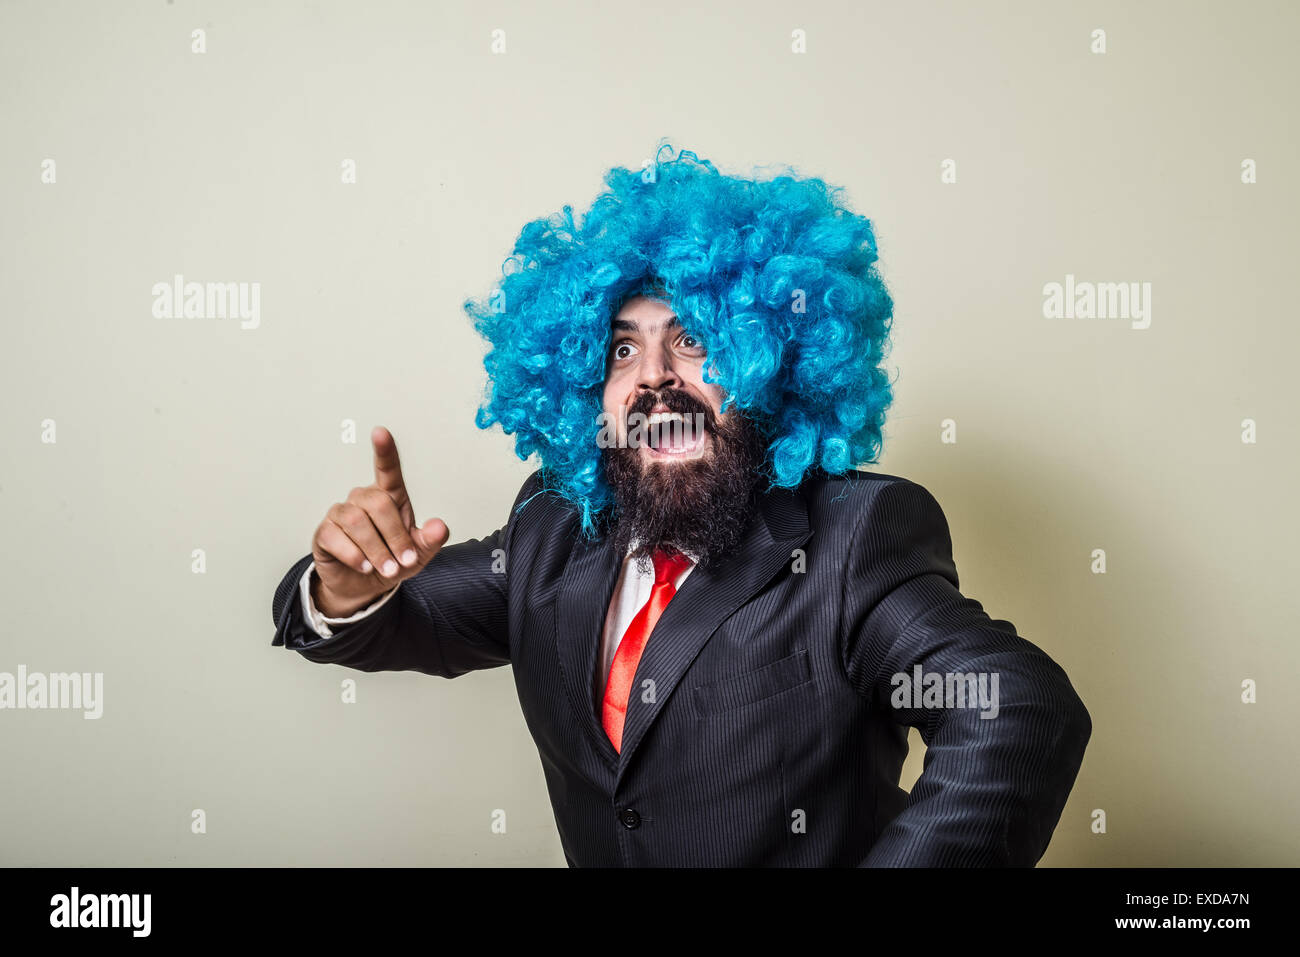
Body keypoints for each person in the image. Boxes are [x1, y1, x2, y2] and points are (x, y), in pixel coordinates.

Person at [269, 144, 1091, 866]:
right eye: (622, 347)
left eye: (692, 339)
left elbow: (1017, 709)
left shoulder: (851, 539)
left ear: (773, 359)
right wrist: (343, 586)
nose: (655, 375)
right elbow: (386, 613)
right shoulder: (550, 530)